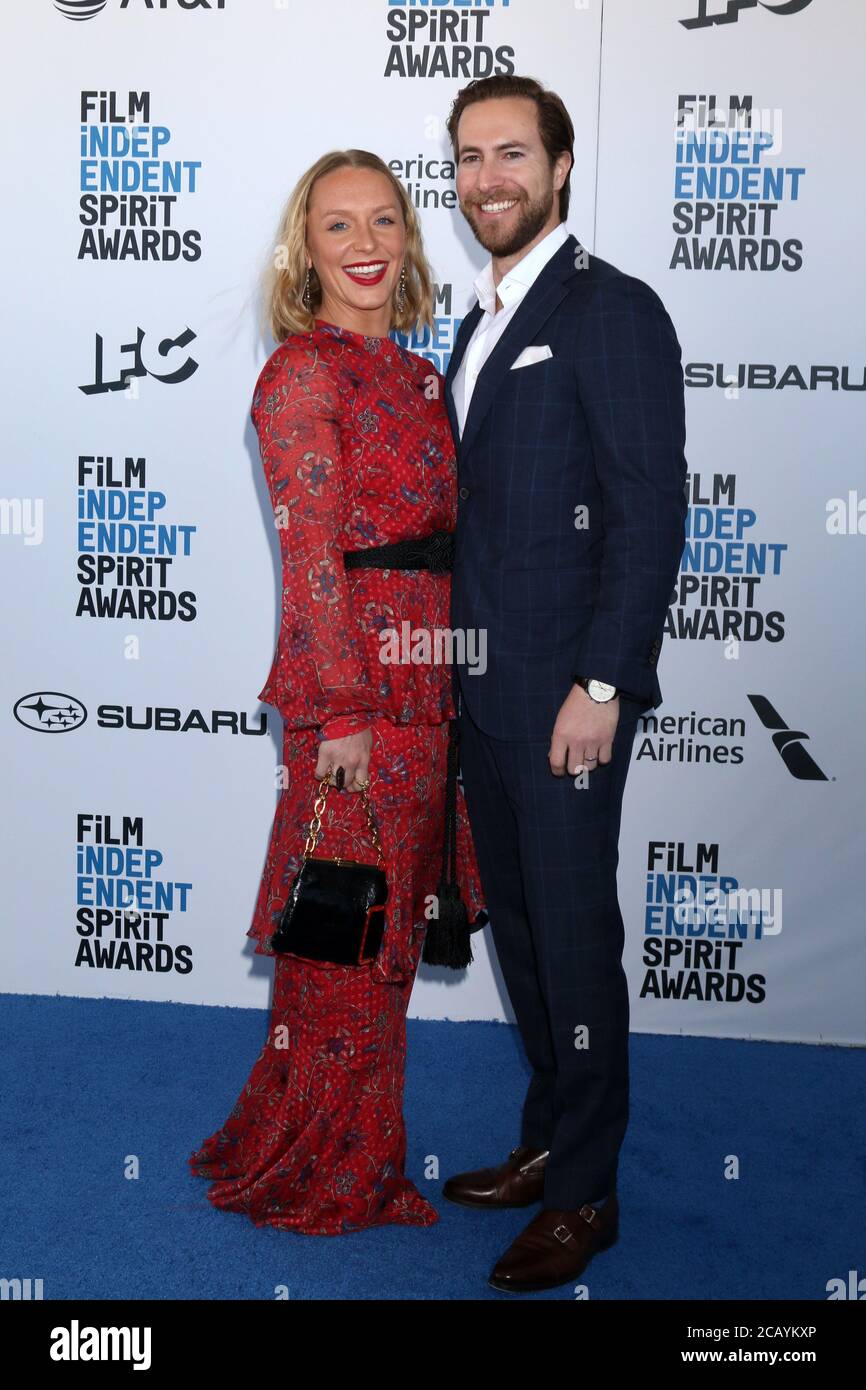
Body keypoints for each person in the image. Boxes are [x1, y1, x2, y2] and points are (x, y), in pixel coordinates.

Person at [188, 150, 486, 1236]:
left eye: (383, 222)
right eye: (337, 228)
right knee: (346, 944)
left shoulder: (414, 376)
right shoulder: (300, 375)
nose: (364, 246)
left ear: (408, 240)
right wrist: (344, 710)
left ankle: (315, 1135)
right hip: (355, 695)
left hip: (431, 681)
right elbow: (310, 554)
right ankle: (324, 1164)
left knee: (383, 939)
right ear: (302, 251)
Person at [440, 76, 688, 1292]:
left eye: (510, 155)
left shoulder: (611, 310)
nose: (486, 178)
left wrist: (602, 681)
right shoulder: (478, 319)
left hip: (566, 698)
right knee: (526, 935)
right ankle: (545, 1139)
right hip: (481, 692)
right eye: (468, 158)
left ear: (560, 165)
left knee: (575, 936)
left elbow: (648, 513)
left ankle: (585, 1195)